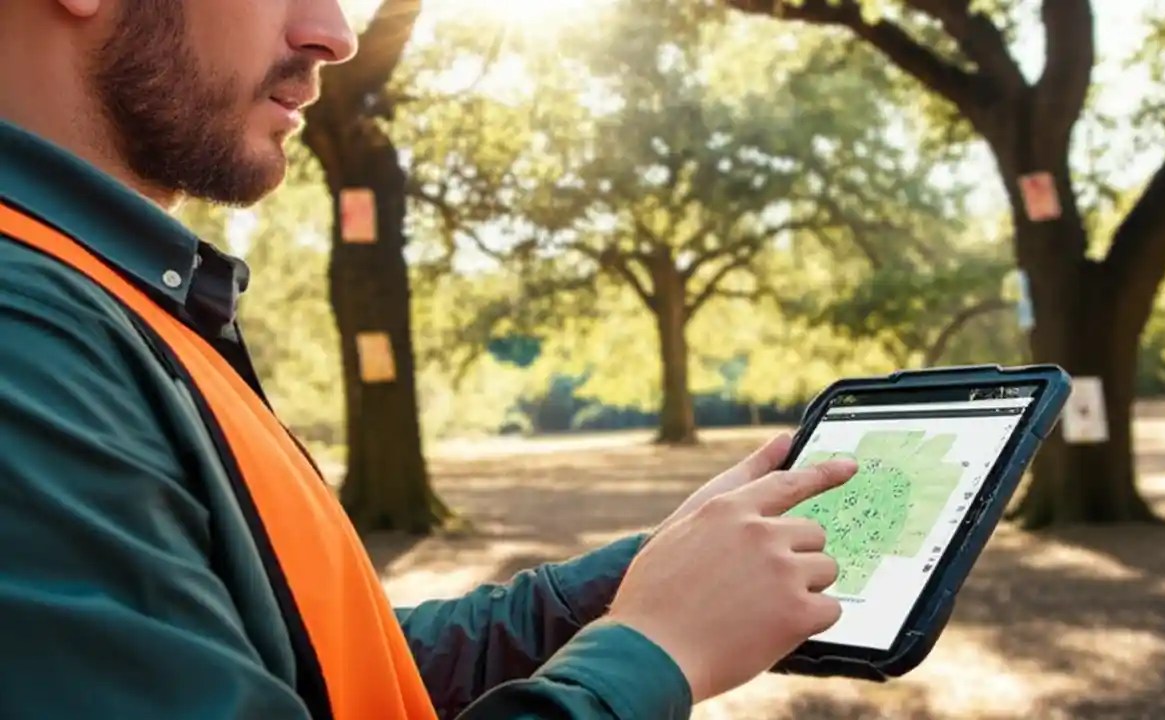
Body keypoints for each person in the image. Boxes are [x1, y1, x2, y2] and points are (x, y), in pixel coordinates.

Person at [0, 1, 860, 718]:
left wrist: (649, 579)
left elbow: (318, 667)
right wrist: (653, 652)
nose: (333, 33)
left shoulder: (100, 299)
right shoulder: (27, 335)